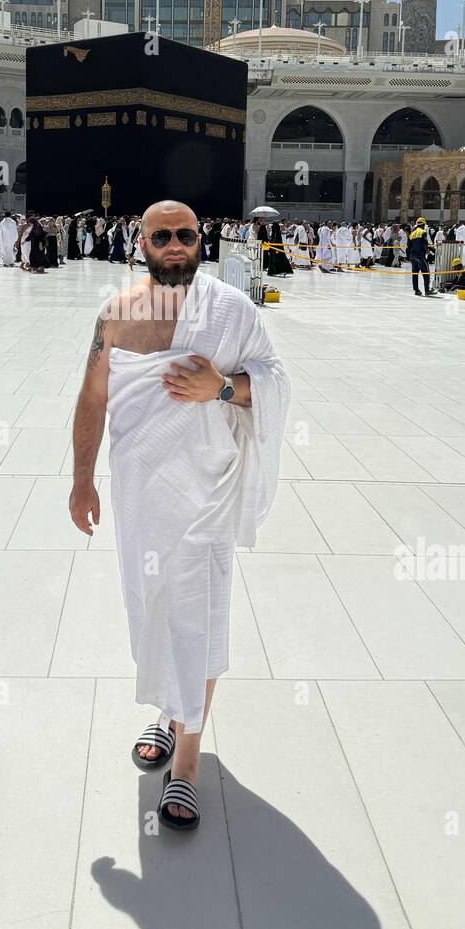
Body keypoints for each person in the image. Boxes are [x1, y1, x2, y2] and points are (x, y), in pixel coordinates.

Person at [68, 199, 290, 832]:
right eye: (160, 235)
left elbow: (272, 379)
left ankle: (187, 762)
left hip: (207, 493)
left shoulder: (231, 311)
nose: (174, 245)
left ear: (201, 240)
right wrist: (82, 480)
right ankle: (170, 711)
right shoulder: (116, 315)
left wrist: (220, 387)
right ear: (139, 242)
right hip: (140, 493)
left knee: (199, 614)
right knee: (153, 607)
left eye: (185, 235)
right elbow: (91, 399)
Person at [407, 215, 437, 296]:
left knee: (415, 274)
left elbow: (408, 246)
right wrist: (428, 251)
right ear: (423, 225)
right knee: (426, 273)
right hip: (420, 256)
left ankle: (416, 290)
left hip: (413, 256)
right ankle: (427, 291)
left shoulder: (412, 234)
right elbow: (424, 244)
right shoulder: (423, 232)